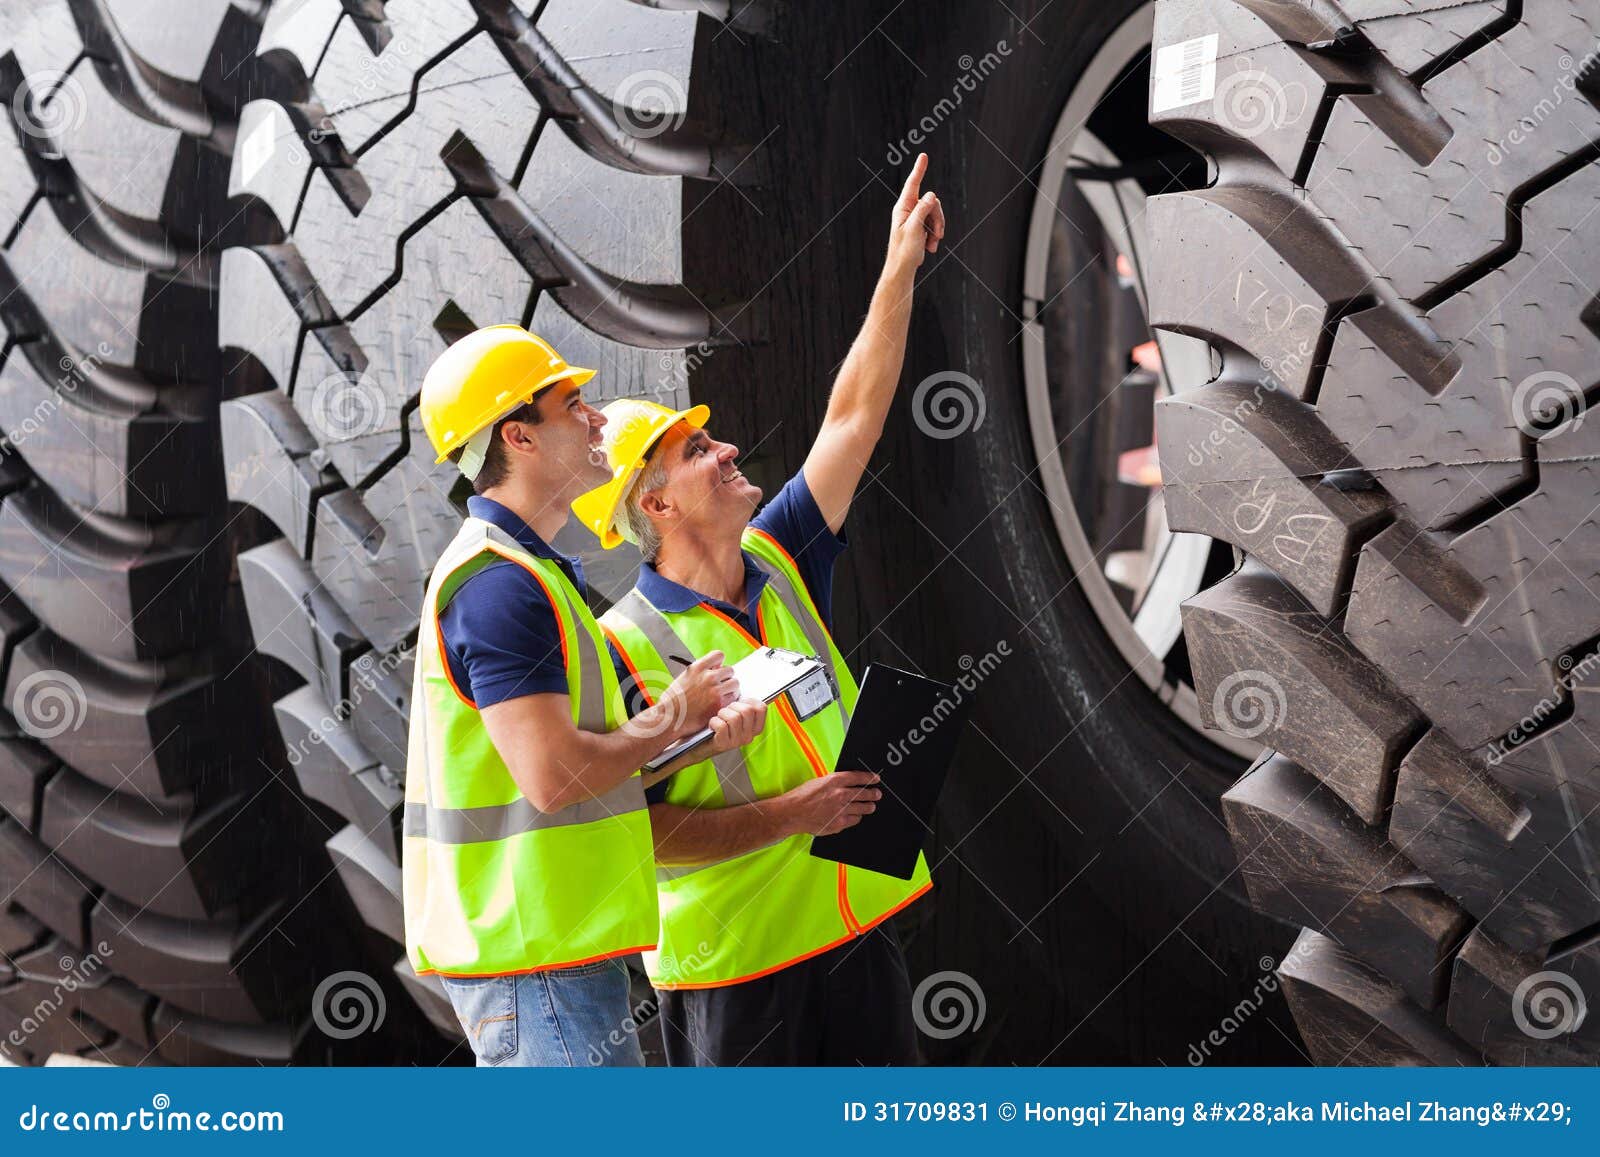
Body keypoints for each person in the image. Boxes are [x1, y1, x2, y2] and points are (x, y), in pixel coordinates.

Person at [571, 154, 947, 1064]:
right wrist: (790, 815)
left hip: (854, 939)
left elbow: (853, 416)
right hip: (738, 980)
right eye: (699, 450)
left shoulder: (780, 557)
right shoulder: (620, 648)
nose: (729, 448)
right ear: (656, 504)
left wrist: (897, 269)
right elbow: (634, 834)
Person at [401, 325, 766, 1067]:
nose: (598, 418)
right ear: (519, 437)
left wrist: (692, 740)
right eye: (572, 404)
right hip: (534, 960)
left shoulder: (530, 573)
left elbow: (580, 773)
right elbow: (554, 777)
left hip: (550, 953)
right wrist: (675, 712)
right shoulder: (500, 585)